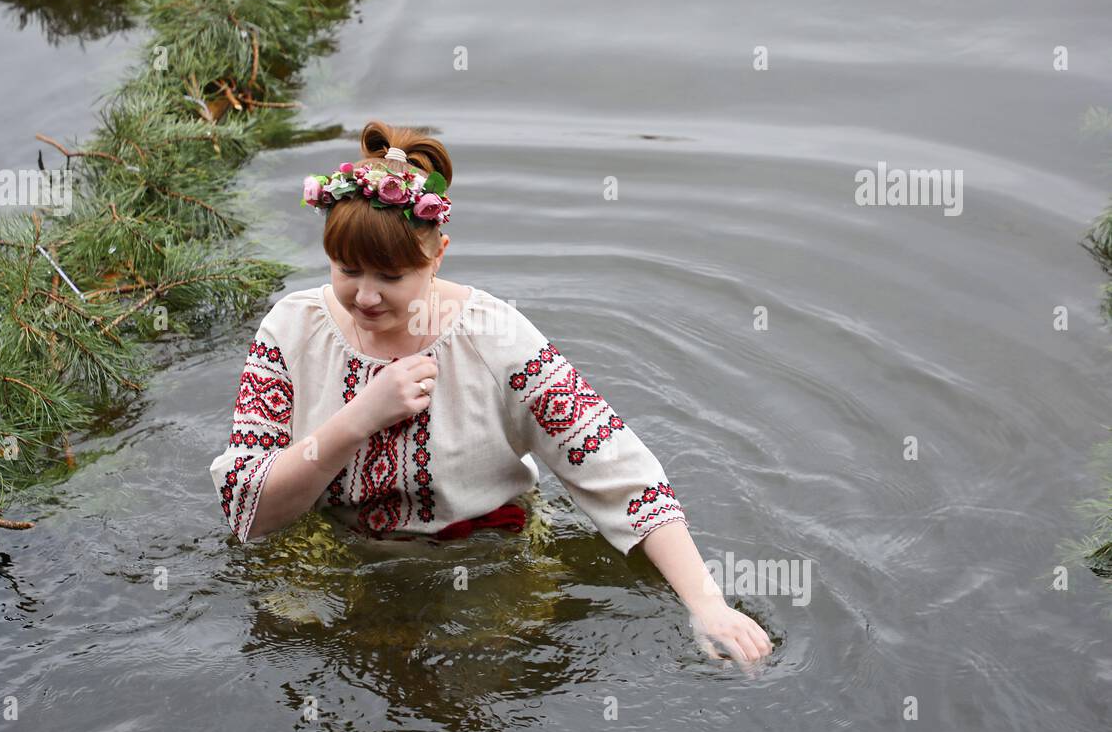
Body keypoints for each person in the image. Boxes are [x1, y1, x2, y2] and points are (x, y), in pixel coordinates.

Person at [210, 120, 773, 666]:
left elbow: (617, 468)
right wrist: (356, 420)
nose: (366, 297)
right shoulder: (291, 328)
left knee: (468, 688)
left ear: (437, 254)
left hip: (480, 555)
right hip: (332, 549)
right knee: (295, 652)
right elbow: (247, 509)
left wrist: (708, 604)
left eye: (390, 276)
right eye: (347, 270)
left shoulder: (496, 338)